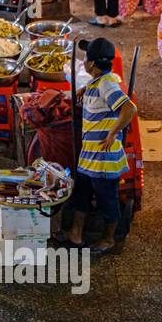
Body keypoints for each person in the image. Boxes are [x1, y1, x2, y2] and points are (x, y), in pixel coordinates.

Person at [61, 36, 137, 253]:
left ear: (92, 63)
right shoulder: (100, 81)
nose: (83, 61)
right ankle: (75, 235)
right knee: (82, 192)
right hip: (90, 156)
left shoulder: (106, 84)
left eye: (86, 58)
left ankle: (109, 239)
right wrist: (84, 90)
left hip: (103, 159)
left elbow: (129, 109)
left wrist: (113, 133)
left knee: (107, 200)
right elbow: (99, 86)